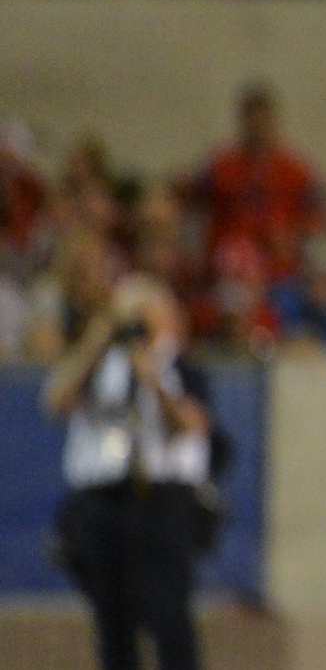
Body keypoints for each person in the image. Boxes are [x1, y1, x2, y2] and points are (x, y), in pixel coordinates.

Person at [42, 277, 212, 670]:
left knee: (169, 613)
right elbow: (55, 401)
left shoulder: (181, 368)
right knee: (111, 616)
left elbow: (192, 424)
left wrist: (151, 376)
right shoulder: (97, 366)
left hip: (163, 499)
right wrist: (96, 342)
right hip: (103, 501)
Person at [186, 83, 323, 286]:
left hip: (280, 272)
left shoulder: (295, 170)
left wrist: (290, 238)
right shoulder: (221, 166)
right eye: (252, 119)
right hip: (228, 272)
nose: (258, 127)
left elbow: (315, 219)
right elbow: (191, 201)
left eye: (263, 120)